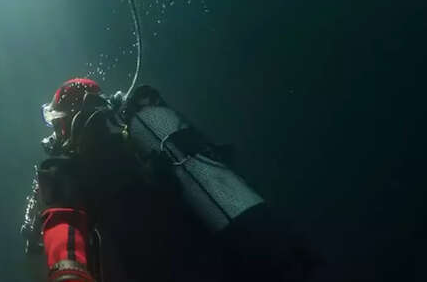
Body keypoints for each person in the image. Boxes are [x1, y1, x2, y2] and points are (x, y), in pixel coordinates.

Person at [21, 78, 319, 282]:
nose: (56, 135)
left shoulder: (69, 167)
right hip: (238, 263)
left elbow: (63, 223)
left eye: (57, 124)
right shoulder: (150, 139)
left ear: (67, 121)